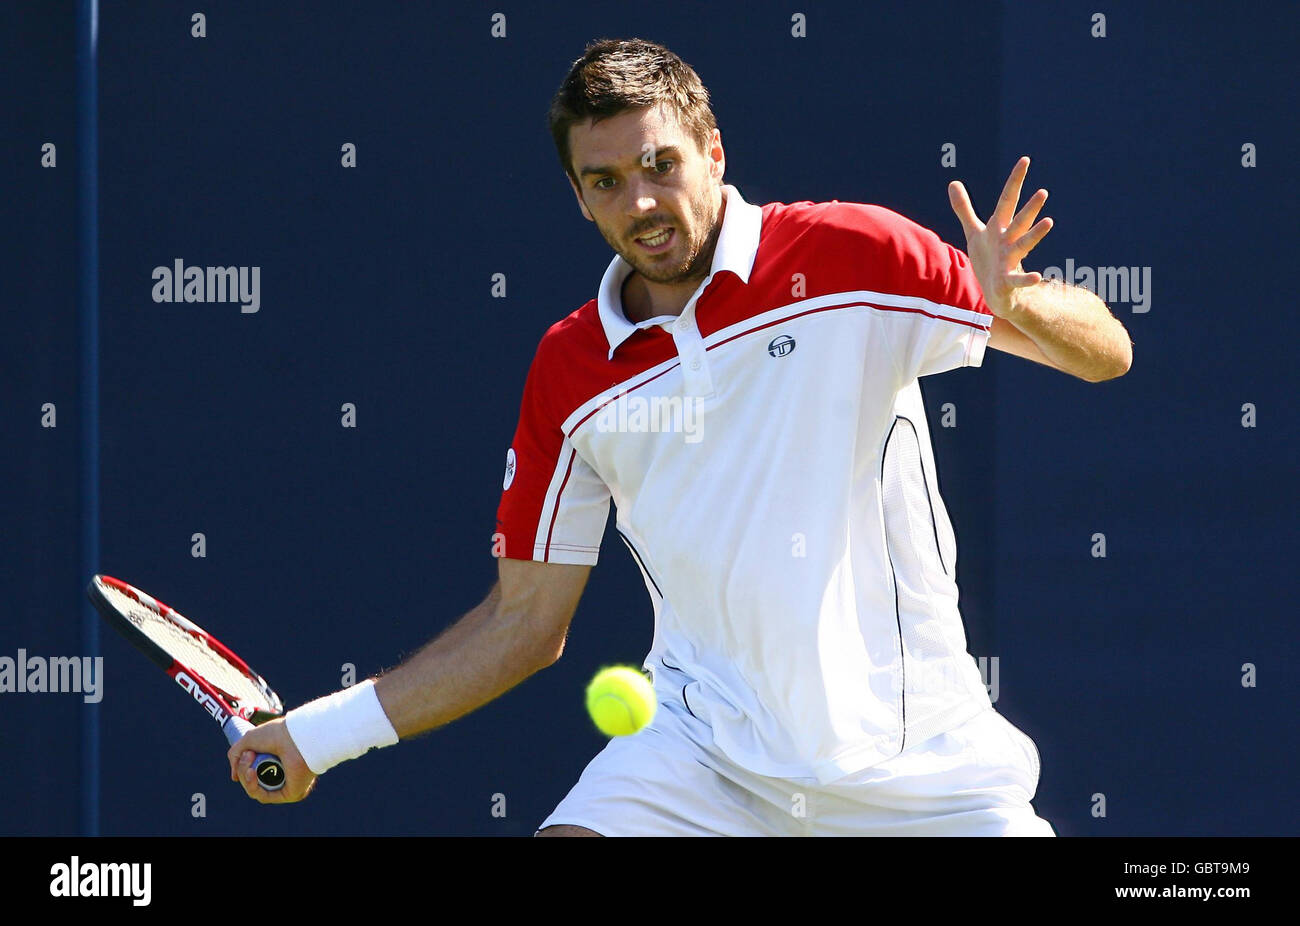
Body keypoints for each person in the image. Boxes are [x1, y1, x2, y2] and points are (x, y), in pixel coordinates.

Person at [228, 37, 1132, 836]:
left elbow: (1106, 356)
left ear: (714, 153)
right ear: (580, 200)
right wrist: (315, 737)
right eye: (607, 182)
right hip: (703, 761)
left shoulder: (855, 255)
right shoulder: (571, 370)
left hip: (926, 766)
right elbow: (524, 623)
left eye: (662, 165)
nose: (643, 202)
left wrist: (1018, 301)